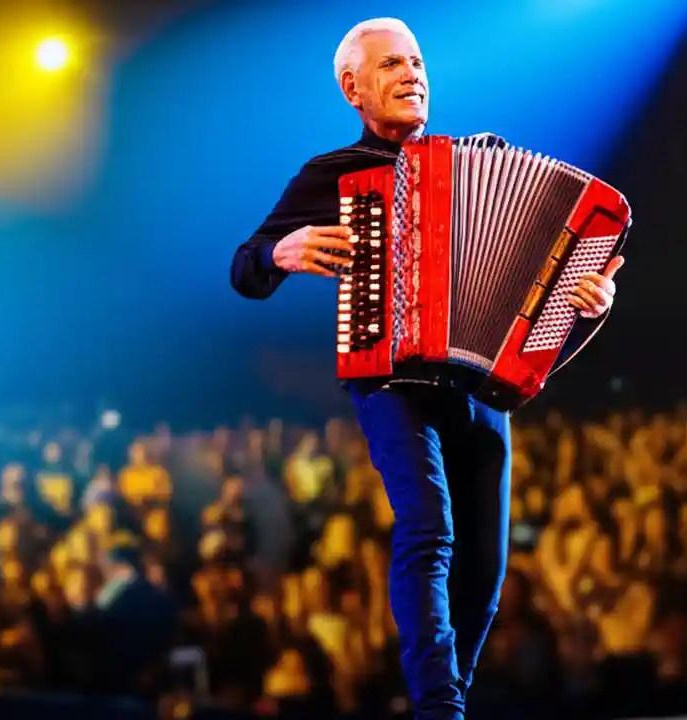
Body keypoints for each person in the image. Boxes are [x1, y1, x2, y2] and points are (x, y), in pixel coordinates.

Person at [230, 17, 623, 719]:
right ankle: (439, 711)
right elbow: (244, 270)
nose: (411, 74)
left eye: (416, 61)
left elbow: (542, 308)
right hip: (388, 377)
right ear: (353, 88)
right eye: (390, 65)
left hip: (478, 386)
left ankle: (449, 703)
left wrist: (587, 301)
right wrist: (278, 253)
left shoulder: (486, 156)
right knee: (428, 527)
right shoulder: (332, 176)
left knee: (484, 570)